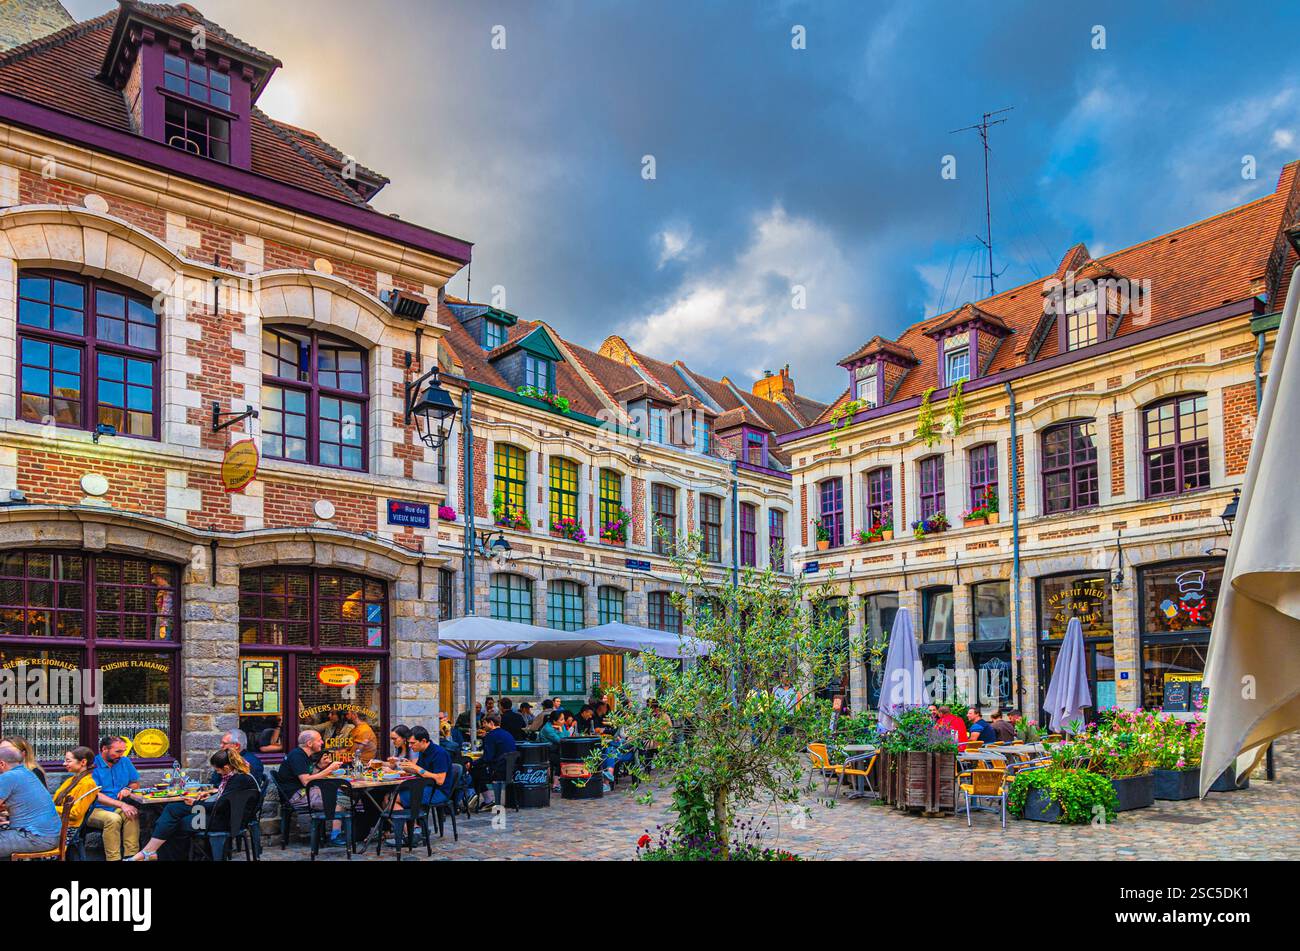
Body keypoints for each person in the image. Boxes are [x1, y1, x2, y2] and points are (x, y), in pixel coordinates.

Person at [130, 749, 259, 861]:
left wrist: (196, 803)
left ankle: (150, 853)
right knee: (173, 814)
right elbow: (224, 800)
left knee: (175, 820)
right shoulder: (241, 776)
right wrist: (209, 796)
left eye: (218, 770)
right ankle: (153, 853)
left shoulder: (238, 780)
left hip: (224, 822)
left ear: (226, 768)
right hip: (225, 817)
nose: (218, 773)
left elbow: (219, 806)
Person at [276, 729, 349, 846]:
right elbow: (306, 781)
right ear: (309, 743)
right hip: (297, 795)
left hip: (304, 791)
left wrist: (321, 766)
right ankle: (336, 836)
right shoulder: (297, 756)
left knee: (339, 793)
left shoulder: (305, 755)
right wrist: (329, 769)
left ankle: (342, 833)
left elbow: (310, 775)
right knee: (339, 799)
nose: (322, 743)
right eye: (319, 740)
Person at [0, 744, 60, 859]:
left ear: (2, 764)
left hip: (35, 838)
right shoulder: (27, 772)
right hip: (48, 835)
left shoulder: (8, 776)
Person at [89, 736, 141, 861]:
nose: (121, 755)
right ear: (104, 749)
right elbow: (95, 794)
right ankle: (114, 858)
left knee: (132, 813)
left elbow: (135, 782)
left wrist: (128, 789)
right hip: (94, 809)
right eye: (118, 751)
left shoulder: (124, 761)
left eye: (123, 751)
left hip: (117, 806)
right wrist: (122, 805)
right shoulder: (92, 765)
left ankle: (131, 856)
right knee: (113, 819)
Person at [469, 714, 516, 808]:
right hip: (509, 770)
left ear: (491, 723)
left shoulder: (491, 736)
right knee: (477, 770)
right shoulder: (507, 733)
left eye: (484, 723)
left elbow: (487, 758)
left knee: (473, 771)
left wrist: (472, 763)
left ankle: (484, 799)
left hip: (497, 771)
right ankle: (487, 799)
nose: (483, 726)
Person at [52, 747, 99, 833]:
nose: (64, 764)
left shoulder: (88, 784)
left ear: (83, 762)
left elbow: (76, 813)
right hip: (57, 823)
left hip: (68, 829)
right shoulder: (70, 780)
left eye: (68, 761)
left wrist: (51, 809)